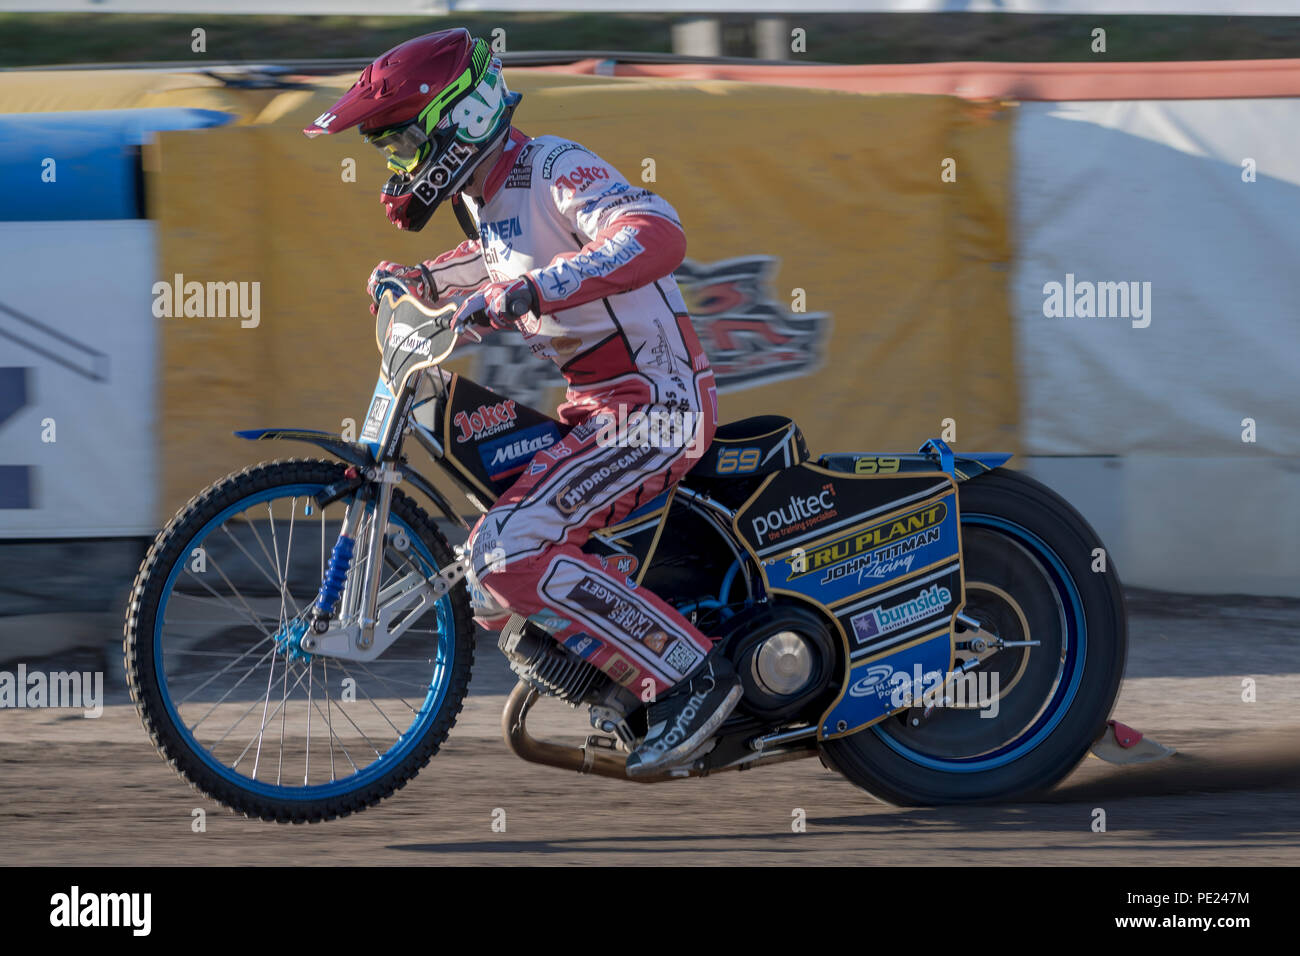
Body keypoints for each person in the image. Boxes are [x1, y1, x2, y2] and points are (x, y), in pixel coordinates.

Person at [304, 28, 740, 775]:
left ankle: (692, 678)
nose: (400, 165)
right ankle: (624, 685)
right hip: (598, 412)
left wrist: (538, 290)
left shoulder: (553, 165)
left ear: (460, 117)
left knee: (507, 551)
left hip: (657, 410)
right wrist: (422, 282)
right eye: (388, 150)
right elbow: (499, 258)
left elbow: (656, 233)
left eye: (404, 143)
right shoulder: (488, 198)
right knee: (489, 580)